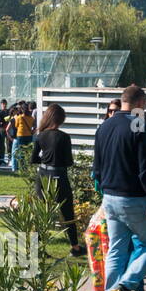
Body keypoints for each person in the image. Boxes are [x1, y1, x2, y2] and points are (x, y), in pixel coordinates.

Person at [94, 85, 146, 291]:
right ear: (141, 103)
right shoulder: (138, 124)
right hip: (134, 197)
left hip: (110, 196)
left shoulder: (105, 125)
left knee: (115, 249)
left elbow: (97, 167)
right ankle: (128, 282)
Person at [32, 103, 85, 256]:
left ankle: (39, 248)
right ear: (61, 119)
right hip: (59, 175)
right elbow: (69, 161)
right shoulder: (64, 136)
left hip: (42, 175)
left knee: (42, 212)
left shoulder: (40, 135)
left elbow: (34, 158)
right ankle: (75, 247)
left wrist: (45, 158)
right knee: (67, 212)